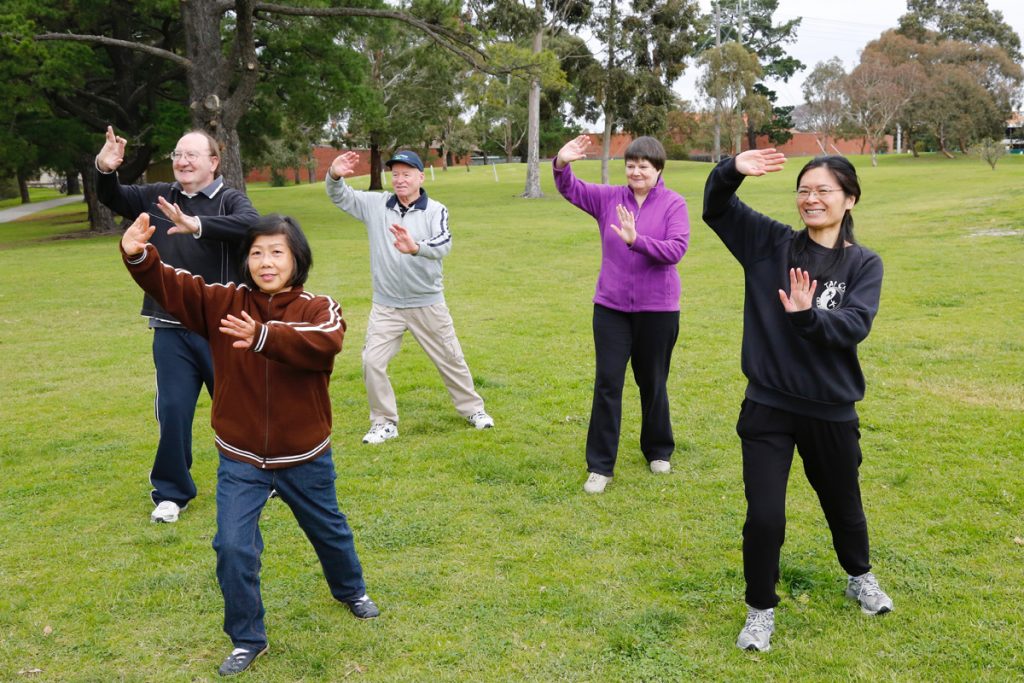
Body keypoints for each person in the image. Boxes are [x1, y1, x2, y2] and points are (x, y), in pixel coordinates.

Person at [120, 212, 379, 677]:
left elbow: (325, 342)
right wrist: (139, 256)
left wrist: (262, 336)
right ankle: (247, 638)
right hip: (241, 458)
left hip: (305, 455)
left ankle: (351, 590)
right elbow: (176, 286)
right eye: (257, 252)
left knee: (330, 532)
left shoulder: (320, 308)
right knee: (233, 547)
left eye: (276, 252)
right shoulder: (225, 302)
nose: (265, 261)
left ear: (297, 258)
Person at [702, 149, 893, 653]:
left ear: (848, 199)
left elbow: (855, 324)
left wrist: (808, 316)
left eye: (824, 190)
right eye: (804, 190)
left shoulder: (863, 262)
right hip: (768, 406)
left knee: (843, 505)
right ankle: (759, 610)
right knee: (764, 515)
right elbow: (716, 208)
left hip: (830, 409)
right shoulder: (769, 245)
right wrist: (731, 170)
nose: (811, 199)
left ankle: (859, 576)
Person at [96, 126, 260, 523]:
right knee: (172, 409)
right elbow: (112, 195)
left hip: (222, 326)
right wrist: (105, 167)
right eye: (178, 155)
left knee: (240, 408)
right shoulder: (159, 196)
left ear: (214, 162)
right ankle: (172, 493)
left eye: (192, 155)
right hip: (170, 326)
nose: (182, 162)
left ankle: (258, 475)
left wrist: (196, 224)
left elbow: (252, 226)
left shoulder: (230, 199)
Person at [325, 149, 494, 444]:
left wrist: (415, 246)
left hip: (427, 302)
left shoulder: (436, 210)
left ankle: (473, 410)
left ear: (419, 176)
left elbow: (443, 243)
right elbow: (341, 196)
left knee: (450, 358)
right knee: (371, 362)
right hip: (386, 305)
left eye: (406, 174)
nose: (400, 180)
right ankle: (384, 422)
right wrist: (335, 174)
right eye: (396, 174)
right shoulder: (376, 204)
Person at [553, 135, 690, 494]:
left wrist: (636, 240)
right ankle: (600, 466)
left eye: (643, 166)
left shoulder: (674, 203)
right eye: (631, 165)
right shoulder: (609, 198)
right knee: (608, 384)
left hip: (658, 310)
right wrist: (562, 162)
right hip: (611, 309)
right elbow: (571, 189)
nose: (636, 171)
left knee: (653, 382)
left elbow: (676, 249)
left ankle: (658, 449)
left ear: (658, 169)